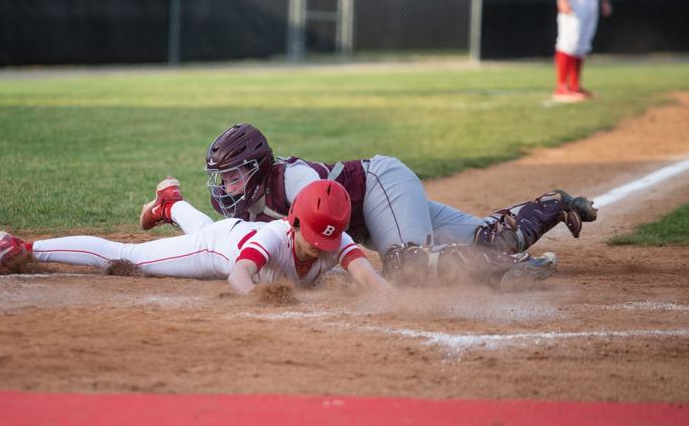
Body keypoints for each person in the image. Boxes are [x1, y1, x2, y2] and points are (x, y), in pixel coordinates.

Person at [143, 124, 596, 283]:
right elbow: (211, 241)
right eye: (224, 177)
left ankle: (503, 270)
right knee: (491, 237)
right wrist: (173, 206)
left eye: (235, 174)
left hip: (380, 187)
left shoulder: (294, 180)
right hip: (371, 217)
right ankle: (551, 205)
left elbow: (330, 233)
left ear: (259, 168)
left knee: (408, 267)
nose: (228, 185)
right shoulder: (253, 205)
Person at [0, 180, 391, 296]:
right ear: (294, 222)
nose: (322, 246)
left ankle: (170, 202)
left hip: (231, 231)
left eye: (329, 239)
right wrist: (257, 297)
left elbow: (368, 277)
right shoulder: (274, 237)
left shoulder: (334, 240)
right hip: (220, 247)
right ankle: (20, 246)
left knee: (204, 227)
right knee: (128, 257)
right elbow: (239, 275)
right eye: (314, 237)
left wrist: (397, 299)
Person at [551, 0, 612, 102]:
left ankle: (574, 86)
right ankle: (561, 87)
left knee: (582, 44)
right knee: (568, 42)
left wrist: (605, 0)